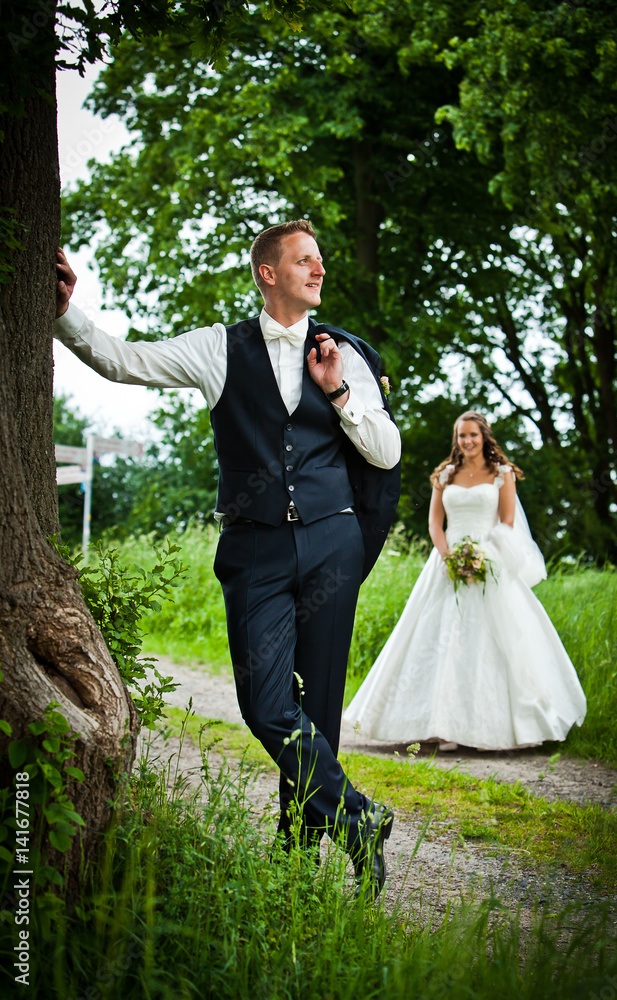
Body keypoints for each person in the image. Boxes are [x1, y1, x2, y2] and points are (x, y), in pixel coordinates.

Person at [54, 219, 401, 898]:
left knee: (319, 707)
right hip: (256, 549)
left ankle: (298, 865)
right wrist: (66, 315)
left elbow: (385, 453)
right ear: (268, 273)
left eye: (321, 260)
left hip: (332, 540)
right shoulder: (219, 349)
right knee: (266, 703)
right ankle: (357, 819)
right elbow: (125, 360)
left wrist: (337, 392)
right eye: (305, 260)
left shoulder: (345, 353)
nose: (319, 270)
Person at [345, 411, 586, 752]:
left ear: (484, 436)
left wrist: (482, 558)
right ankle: (437, 726)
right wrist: (449, 558)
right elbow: (434, 525)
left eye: (473, 435)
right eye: (461, 436)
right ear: (456, 439)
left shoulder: (502, 474)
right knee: (434, 641)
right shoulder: (445, 474)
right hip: (446, 564)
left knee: (496, 642)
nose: (467, 441)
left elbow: (506, 523)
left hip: (489, 561)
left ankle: (497, 727)